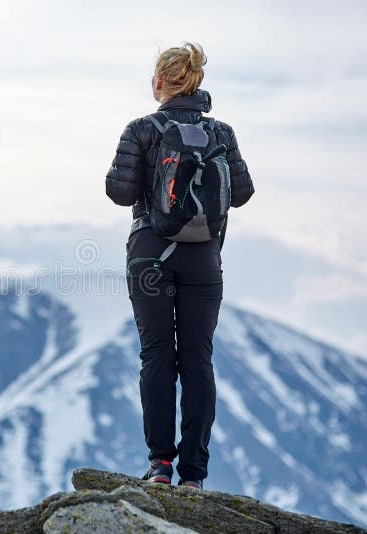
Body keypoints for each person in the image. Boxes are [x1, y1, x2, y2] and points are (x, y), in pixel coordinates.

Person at [105, 42, 254, 490]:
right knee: (197, 360)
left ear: (159, 82)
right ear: (196, 83)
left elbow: (120, 192)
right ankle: (194, 476)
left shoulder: (142, 129)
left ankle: (159, 466)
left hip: (151, 251)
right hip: (204, 255)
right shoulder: (222, 134)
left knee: (157, 354)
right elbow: (242, 193)